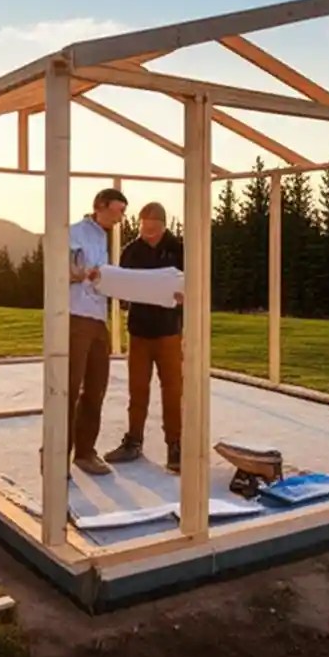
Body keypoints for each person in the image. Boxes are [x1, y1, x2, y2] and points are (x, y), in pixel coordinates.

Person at [103, 201, 185, 473]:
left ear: (164, 226)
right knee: (137, 389)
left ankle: (176, 445)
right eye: (144, 229)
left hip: (169, 332)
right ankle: (133, 441)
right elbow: (123, 285)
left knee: (173, 390)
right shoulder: (131, 251)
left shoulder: (179, 249)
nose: (148, 234)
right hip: (139, 331)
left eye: (154, 229)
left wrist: (185, 297)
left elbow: (194, 284)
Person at [62, 187, 128, 475]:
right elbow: (62, 269)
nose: (120, 218)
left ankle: (85, 453)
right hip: (75, 318)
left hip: (99, 319)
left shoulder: (107, 237)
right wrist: (83, 274)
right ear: (100, 205)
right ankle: (55, 454)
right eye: (117, 211)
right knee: (67, 388)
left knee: (96, 388)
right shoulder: (73, 232)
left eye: (123, 213)